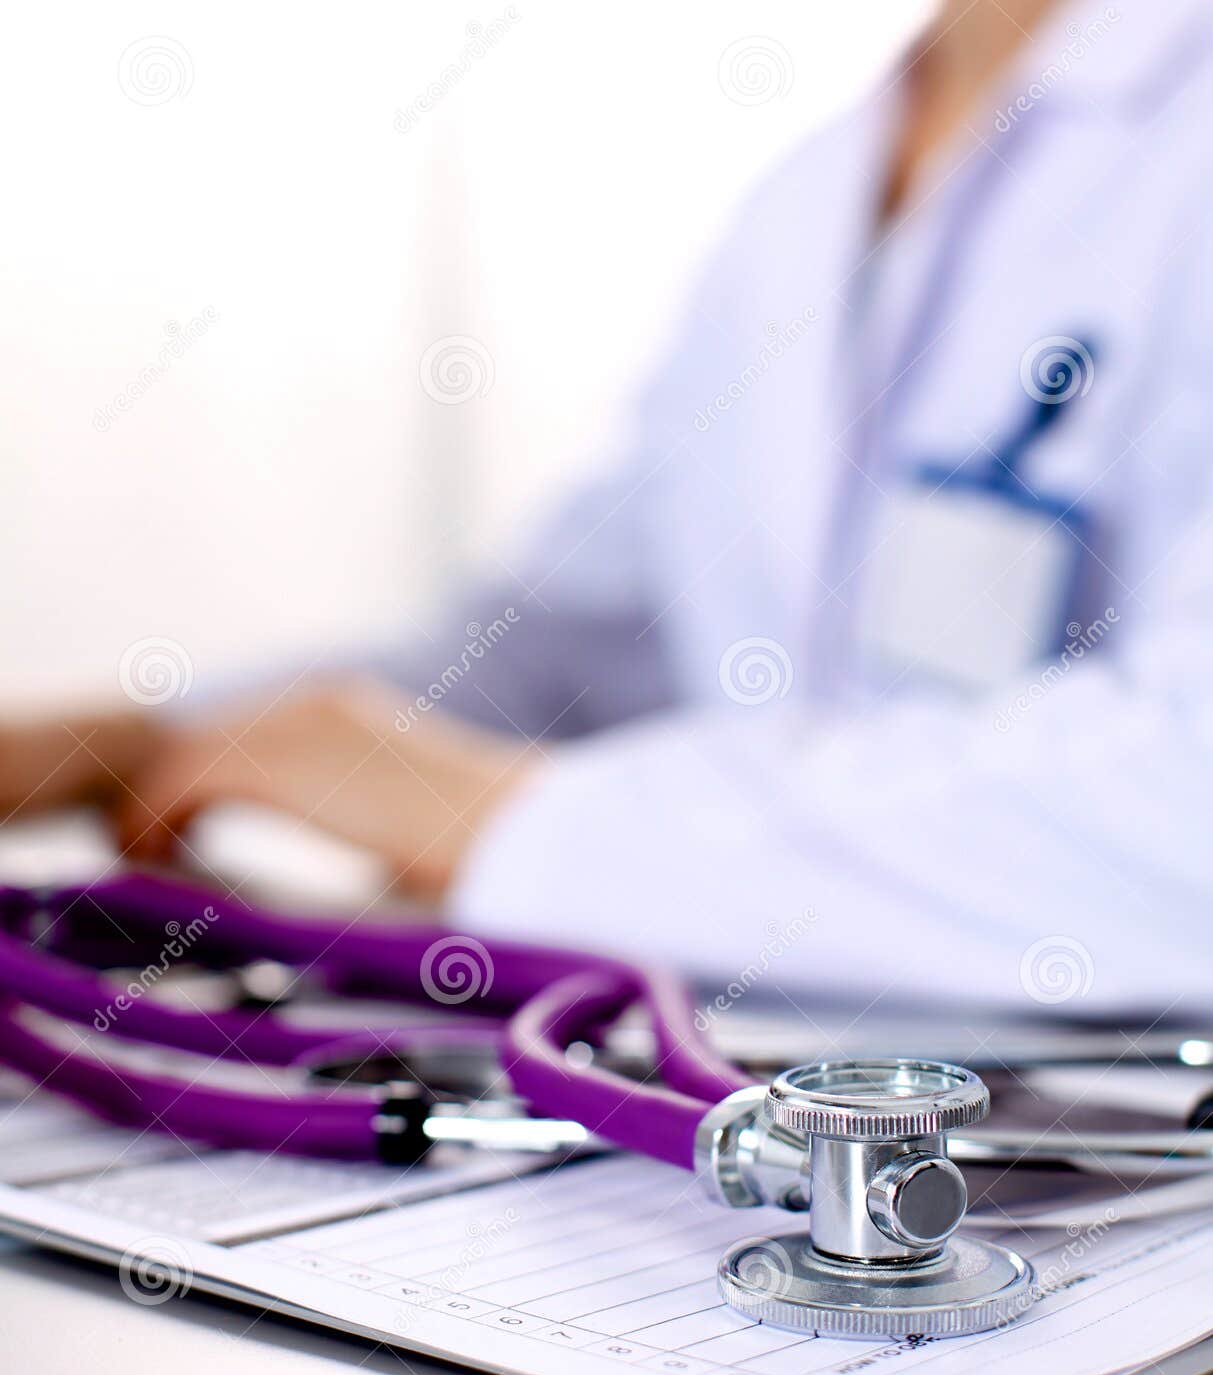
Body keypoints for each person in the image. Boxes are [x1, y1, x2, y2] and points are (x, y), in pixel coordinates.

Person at [3, 0, 1213, 1013]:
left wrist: (499, 815)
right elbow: (582, 632)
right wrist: (154, 737)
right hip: (811, 1075)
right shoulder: (806, 202)